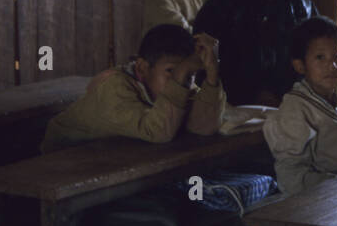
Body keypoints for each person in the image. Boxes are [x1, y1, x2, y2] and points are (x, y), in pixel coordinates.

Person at [41, 24, 224, 152]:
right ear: (142, 68)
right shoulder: (114, 87)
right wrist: (183, 70)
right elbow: (157, 131)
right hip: (64, 158)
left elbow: (203, 127)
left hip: (113, 155)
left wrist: (212, 75)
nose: (180, 80)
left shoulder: (182, 83)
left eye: (187, 74)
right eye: (171, 71)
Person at [264, 16, 337, 196]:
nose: (331, 66)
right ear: (300, 66)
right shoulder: (296, 108)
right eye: (320, 57)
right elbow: (291, 174)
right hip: (313, 203)